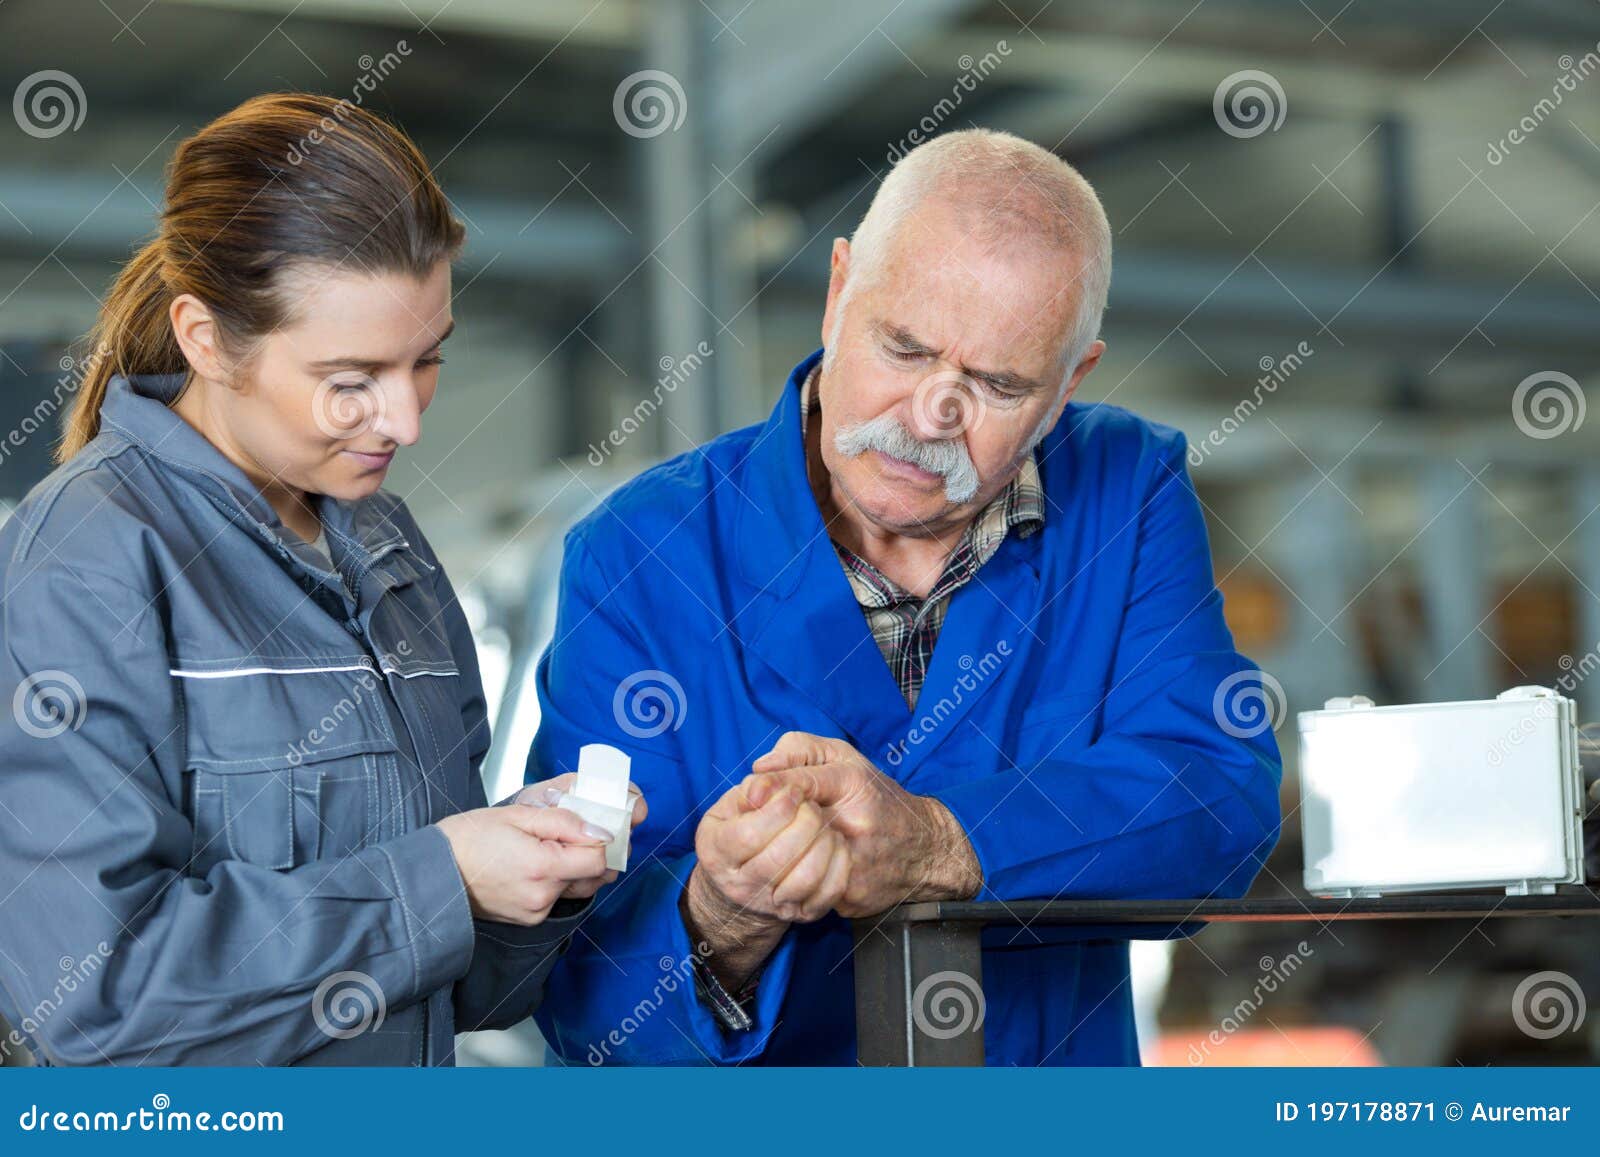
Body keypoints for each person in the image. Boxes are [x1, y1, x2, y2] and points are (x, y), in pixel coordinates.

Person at [530, 129, 1282, 1066]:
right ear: (840, 290)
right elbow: (576, 994)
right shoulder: (642, 552)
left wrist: (938, 842)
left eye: (999, 383)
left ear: (1068, 385)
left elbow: (1217, 799)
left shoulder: (1124, 488)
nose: (932, 415)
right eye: (905, 346)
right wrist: (720, 918)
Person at [0, 93, 639, 1066]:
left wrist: (536, 869)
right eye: (352, 376)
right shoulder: (88, 562)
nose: (406, 419)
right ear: (207, 337)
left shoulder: (390, 552)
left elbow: (459, 994)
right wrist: (439, 877)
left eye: (427, 360)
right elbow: (97, 999)